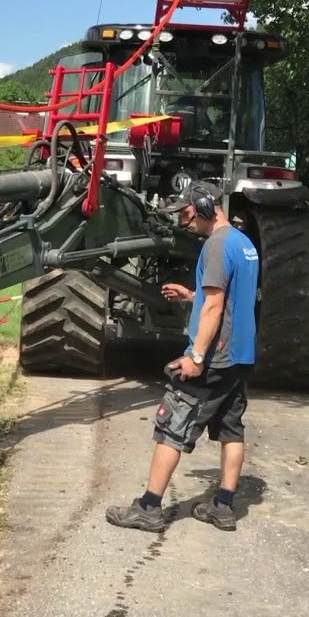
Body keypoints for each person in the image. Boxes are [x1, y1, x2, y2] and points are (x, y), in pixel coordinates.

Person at [105, 181, 260, 533]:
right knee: (231, 429)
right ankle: (222, 505)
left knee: (171, 423)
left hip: (215, 357)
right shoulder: (243, 243)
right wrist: (193, 296)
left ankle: (148, 507)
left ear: (206, 206)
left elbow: (217, 306)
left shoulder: (217, 246)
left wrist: (196, 356)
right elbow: (230, 298)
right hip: (240, 356)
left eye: (188, 213)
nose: (184, 221)